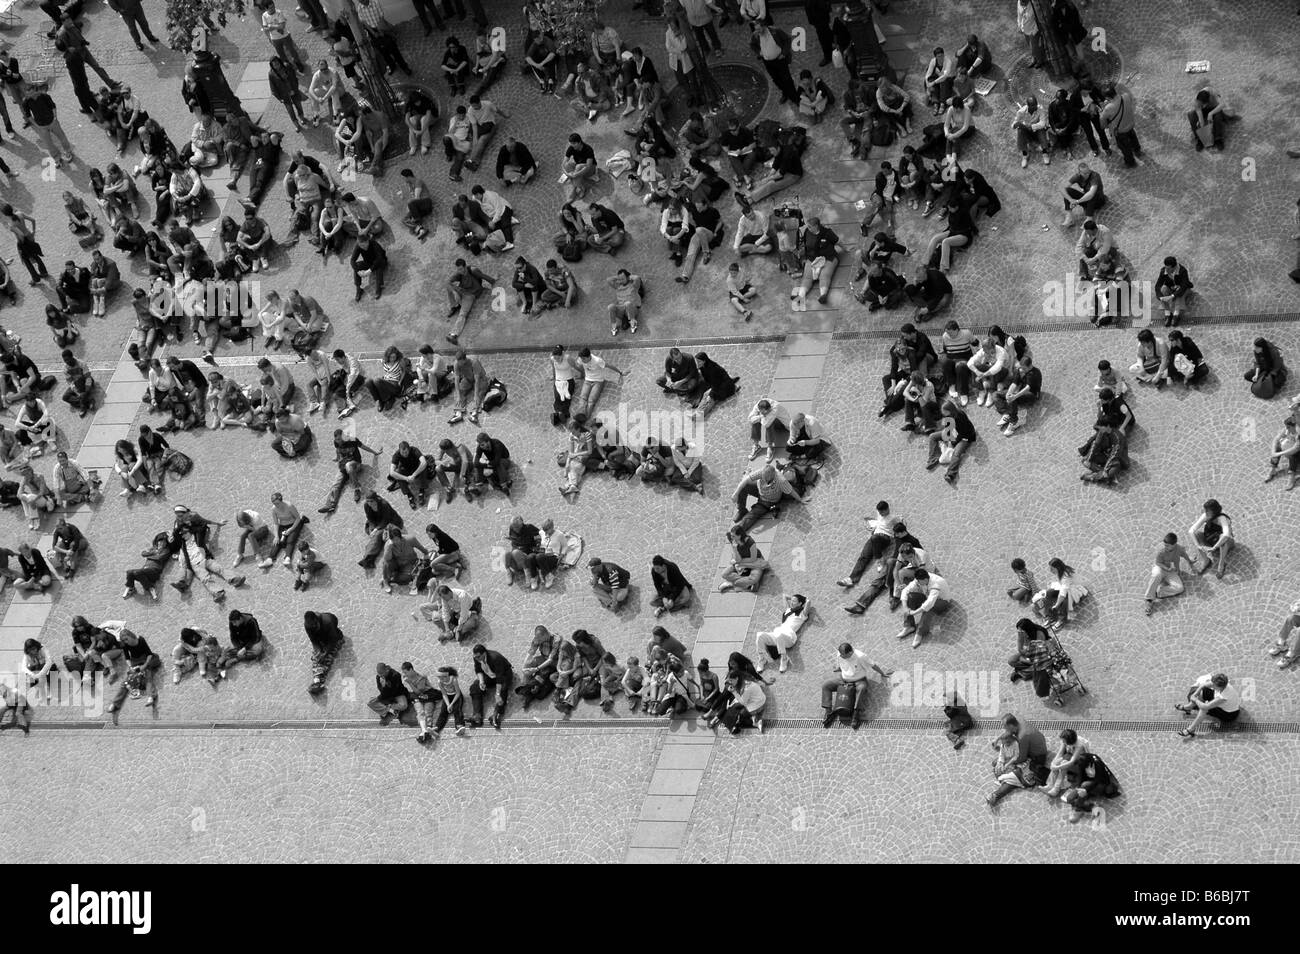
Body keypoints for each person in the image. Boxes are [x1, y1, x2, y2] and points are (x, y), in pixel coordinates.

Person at [820, 642, 891, 729]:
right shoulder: (840, 654)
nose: (841, 656)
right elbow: (840, 662)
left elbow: (873, 665)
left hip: (859, 680)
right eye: (840, 654)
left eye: (843, 655)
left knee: (862, 689)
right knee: (826, 685)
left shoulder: (861, 656)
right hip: (843, 679)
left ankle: (856, 714)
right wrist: (839, 668)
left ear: (850, 653)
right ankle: (828, 712)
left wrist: (882, 673)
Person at [896, 568, 951, 647]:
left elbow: (929, 604)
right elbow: (906, 590)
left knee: (929, 607)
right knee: (910, 596)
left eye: (919, 582)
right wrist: (905, 607)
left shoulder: (936, 584)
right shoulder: (920, 580)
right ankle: (909, 626)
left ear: (925, 579)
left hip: (942, 602)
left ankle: (920, 633)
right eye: (917, 581)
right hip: (927, 596)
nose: (917, 583)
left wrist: (914, 612)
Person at [925, 399, 976, 484]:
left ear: (949, 410)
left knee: (956, 453)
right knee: (932, 436)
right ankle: (932, 459)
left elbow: (963, 434)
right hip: (954, 433)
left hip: (965, 437)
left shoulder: (960, 416)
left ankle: (950, 474)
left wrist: (952, 443)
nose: (942, 413)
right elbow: (948, 427)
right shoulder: (947, 416)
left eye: (944, 411)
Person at [1143, 532, 1196, 615]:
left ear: (1174, 544)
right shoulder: (1161, 551)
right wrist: (1167, 568)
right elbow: (1158, 563)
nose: (1165, 546)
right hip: (1161, 568)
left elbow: (1184, 554)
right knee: (1156, 574)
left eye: (1167, 545)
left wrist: (1190, 561)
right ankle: (1149, 599)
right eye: (1165, 545)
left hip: (1170, 571)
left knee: (1180, 588)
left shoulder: (1179, 548)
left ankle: (1158, 592)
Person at [469, 643, 512, 729]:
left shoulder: (495, 658)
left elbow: (499, 678)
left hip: (503, 675)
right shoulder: (477, 658)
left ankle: (496, 715)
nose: (477, 659)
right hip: (489, 675)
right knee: (474, 687)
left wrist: (497, 694)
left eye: (478, 657)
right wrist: (481, 681)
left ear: (484, 653)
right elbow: (478, 669)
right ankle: (477, 715)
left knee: (502, 691)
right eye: (475, 657)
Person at [1188, 498, 1233, 578]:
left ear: (1214, 511)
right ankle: (1206, 560)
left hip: (1226, 543)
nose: (1205, 513)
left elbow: (1226, 535)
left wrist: (1214, 547)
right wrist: (1197, 545)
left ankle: (1221, 565)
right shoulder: (1206, 516)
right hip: (1211, 539)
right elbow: (1191, 530)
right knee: (1196, 534)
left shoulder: (1222, 519)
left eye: (1207, 511)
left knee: (1223, 538)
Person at [1154, 257, 1194, 326]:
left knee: (1179, 293)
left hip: (1183, 289)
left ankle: (1176, 314)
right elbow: (1158, 286)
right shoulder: (1163, 271)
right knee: (1163, 289)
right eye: (1166, 267)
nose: (1166, 270)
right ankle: (1168, 314)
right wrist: (1161, 297)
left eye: (1169, 268)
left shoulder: (1182, 271)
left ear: (1174, 267)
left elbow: (1184, 286)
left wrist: (1172, 296)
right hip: (1171, 288)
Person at [1266, 416, 1300, 490]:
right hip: (1290, 447)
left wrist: (1279, 454)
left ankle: (1292, 478)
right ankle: (1273, 470)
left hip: (1297, 452)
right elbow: (1276, 439)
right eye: (1286, 427)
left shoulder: (1298, 434)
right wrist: (1273, 452)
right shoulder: (1287, 430)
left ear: (1294, 426)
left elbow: (1295, 449)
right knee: (1278, 447)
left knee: (1293, 455)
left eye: (1288, 427)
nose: (1286, 429)